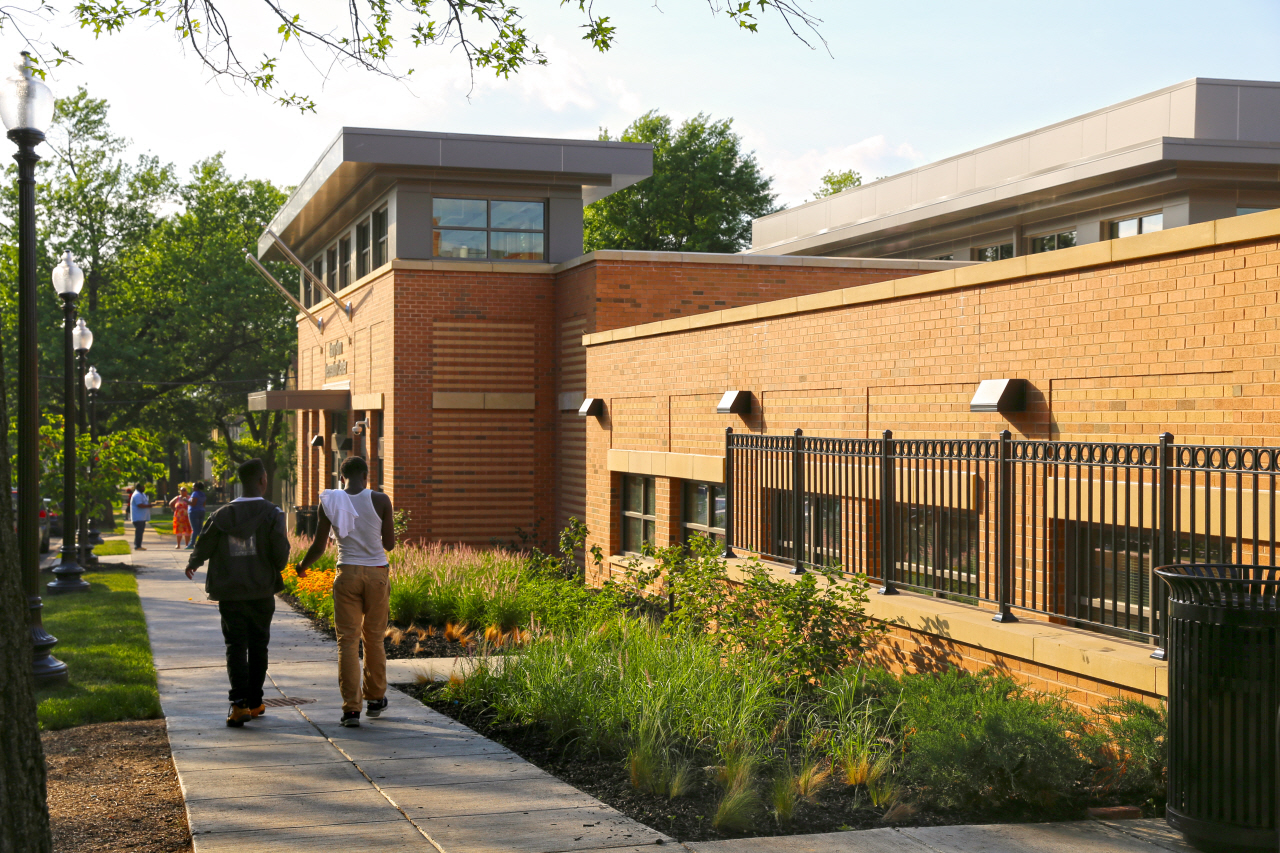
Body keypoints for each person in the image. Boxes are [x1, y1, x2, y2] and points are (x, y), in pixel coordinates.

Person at [184, 459, 290, 728]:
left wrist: (193, 563)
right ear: (263, 481)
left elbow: (204, 544)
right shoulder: (273, 513)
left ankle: (239, 704)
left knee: (235, 647)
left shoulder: (221, 515)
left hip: (230, 592)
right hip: (261, 590)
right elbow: (280, 556)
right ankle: (255, 701)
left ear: (241, 482)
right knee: (258, 646)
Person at [297, 455, 396, 728]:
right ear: (366, 476)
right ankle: (376, 699)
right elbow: (389, 544)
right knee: (374, 639)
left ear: (342, 477)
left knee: (348, 642)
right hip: (377, 574)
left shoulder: (329, 501)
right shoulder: (380, 500)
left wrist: (302, 566)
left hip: (346, 575)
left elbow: (319, 546)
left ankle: (351, 710)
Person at [129, 483, 153, 550]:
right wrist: (148, 506)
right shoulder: (137, 495)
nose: (144, 488)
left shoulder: (142, 494)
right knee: (139, 531)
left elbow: (144, 503)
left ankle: (138, 545)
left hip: (142, 517)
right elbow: (139, 505)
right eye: (142, 487)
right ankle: (137, 546)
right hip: (138, 517)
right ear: (138, 487)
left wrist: (150, 504)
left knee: (140, 531)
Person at [187, 481, 207, 550]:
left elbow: (193, 503)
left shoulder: (195, 493)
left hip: (194, 512)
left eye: (193, 486)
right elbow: (204, 504)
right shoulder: (203, 494)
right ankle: (203, 543)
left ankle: (192, 544)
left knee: (195, 529)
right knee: (200, 529)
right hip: (202, 511)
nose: (192, 487)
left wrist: (185, 500)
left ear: (196, 487)